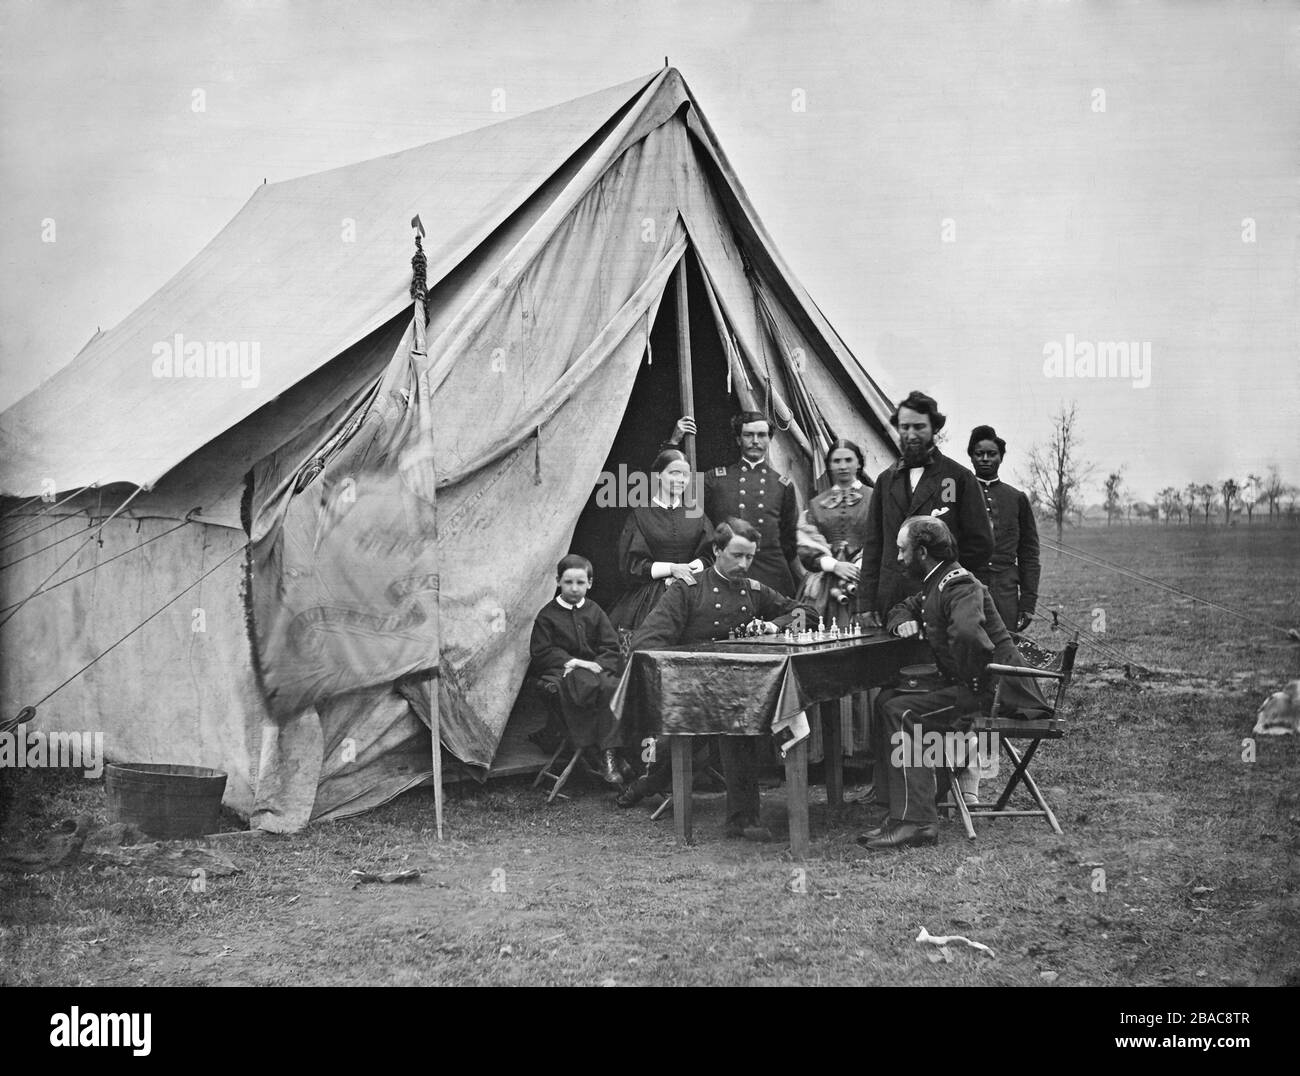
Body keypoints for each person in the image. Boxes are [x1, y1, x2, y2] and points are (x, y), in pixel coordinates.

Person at [860, 517, 1050, 850]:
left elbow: (968, 636)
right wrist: (903, 620)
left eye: (903, 551)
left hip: (997, 694)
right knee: (888, 698)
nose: (899, 558)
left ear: (921, 552)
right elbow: (907, 606)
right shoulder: (938, 582)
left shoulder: (959, 585)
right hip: (982, 687)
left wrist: (971, 684)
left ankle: (918, 823)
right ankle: (901, 812)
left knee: (902, 712)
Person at [626, 519, 813, 840]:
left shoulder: (753, 590)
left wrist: (773, 626)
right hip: (691, 688)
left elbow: (806, 613)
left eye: (750, 557)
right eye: (736, 555)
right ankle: (646, 785)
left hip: (738, 691)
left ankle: (743, 820)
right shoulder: (688, 590)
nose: (744, 564)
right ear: (716, 550)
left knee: (739, 722)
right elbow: (648, 641)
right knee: (727, 726)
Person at [858, 390, 994, 624]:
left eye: (919, 427)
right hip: (891, 602)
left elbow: (980, 544)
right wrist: (866, 605)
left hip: (942, 603)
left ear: (935, 429)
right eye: (904, 427)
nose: (911, 434)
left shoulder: (957, 477)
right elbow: (873, 546)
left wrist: (951, 585)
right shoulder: (885, 480)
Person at [667, 411, 800, 596]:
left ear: (770, 440)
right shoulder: (714, 479)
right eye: (748, 435)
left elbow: (789, 542)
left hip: (771, 578)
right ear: (738, 440)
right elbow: (670, 492)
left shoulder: (783, 486)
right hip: (726, 577)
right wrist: (673, 443)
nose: (755, 441)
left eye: (761, 435)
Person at [528, 554, 626, 788]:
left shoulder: (594, 611)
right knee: (587, 686)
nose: (574, 588)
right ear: (558, 581)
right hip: (565, 670)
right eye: (568, 582)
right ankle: (602, 754)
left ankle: (610, 753)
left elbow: (610, 646)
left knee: (613, 687)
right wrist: (578, 663)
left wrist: (599, 663)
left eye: (580, 583)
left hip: (597, 668)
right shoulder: (547, 615)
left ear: (590, 583)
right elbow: (541, 652)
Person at [607, 449, 714, 632]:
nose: (681, 479)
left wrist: (689, 570)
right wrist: (671, 569)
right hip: (651, 597)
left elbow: (710, 555)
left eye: (685, 475)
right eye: (674, 473)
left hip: (694, 591)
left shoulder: (696, 514)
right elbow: (631, 564)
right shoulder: (640, 515)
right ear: (658, 476)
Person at [967, 425, 1040, 635]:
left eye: (992, 454)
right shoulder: (961, 494)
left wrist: (1028, 602)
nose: (985, 459)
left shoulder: (1016, 498)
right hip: (969, 585)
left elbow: (1029, 553)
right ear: (971, 457)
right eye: (979, 454)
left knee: (1005, 645)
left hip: (1006, 589)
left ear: (1001, 457)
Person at [797, 438, 873, 627]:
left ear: (859, 463)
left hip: (865, 577)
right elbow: (805, 541)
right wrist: (834, 565)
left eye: (848, 460)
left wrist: (859, 566)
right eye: (836, 461)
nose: (843, 466)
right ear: (829, 465)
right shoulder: (816, 504)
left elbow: (883, 535)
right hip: (825, 582)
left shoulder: (875, 497)